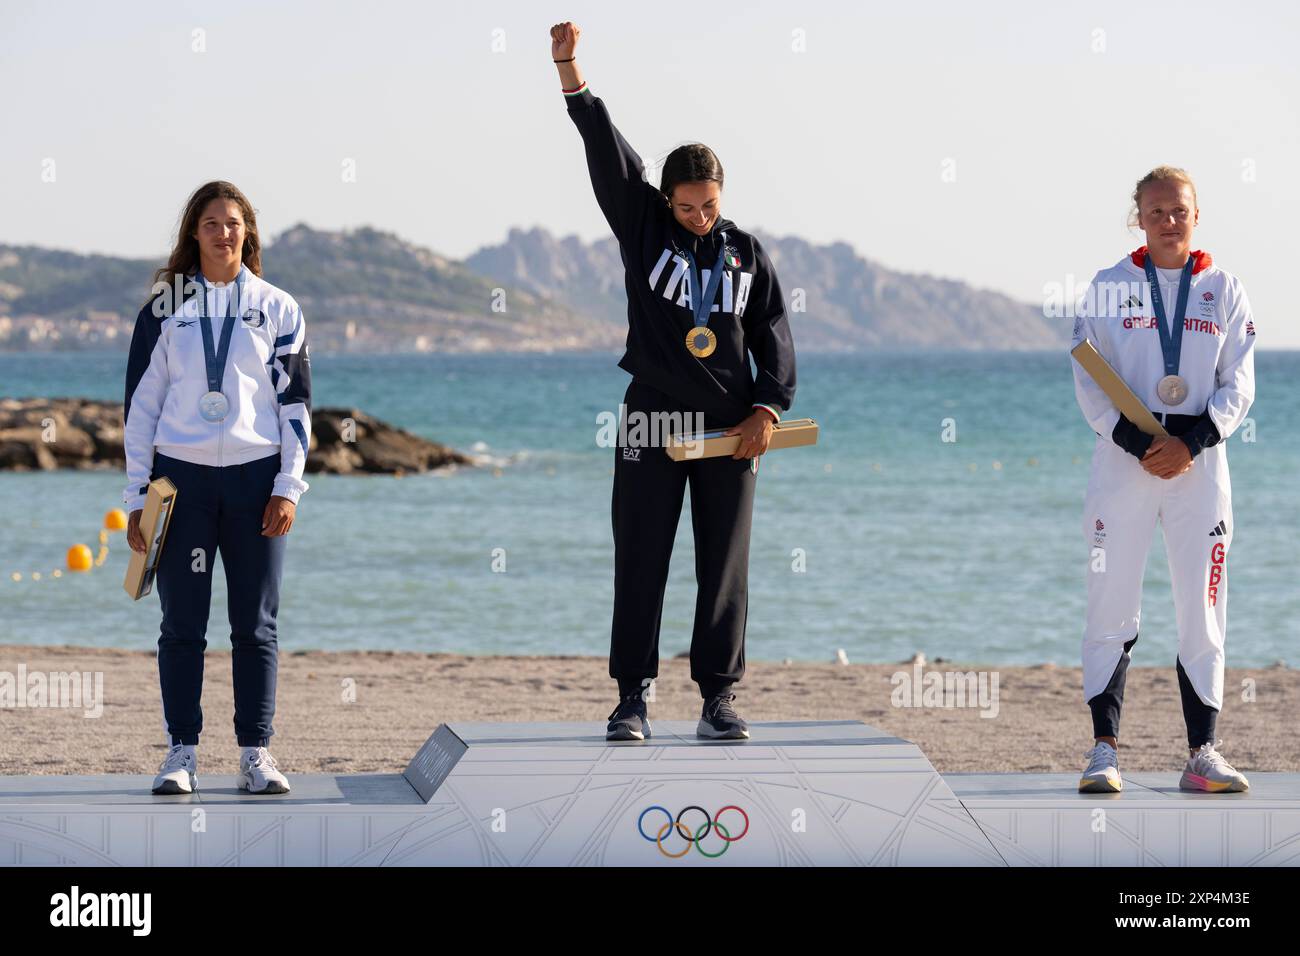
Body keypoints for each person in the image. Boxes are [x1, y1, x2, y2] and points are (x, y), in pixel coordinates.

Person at [551, 22, 797, 742]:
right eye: (686, 206)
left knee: (723, 565)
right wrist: (571, 70)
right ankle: (632, 695)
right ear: (666, 199)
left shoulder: (748, 254)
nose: (698, 217)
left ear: (723, 195)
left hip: (730, 424)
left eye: (709, 206)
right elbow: (605, 147)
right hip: (651, 416)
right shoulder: (643, 226)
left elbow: (775, 333)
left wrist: (767, 409)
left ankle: (718, 698)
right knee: (642, 556)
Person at [123, 180, 312, 794]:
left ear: (248, 232)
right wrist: (135, 499)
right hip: (182, 482)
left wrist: (288, 486)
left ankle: (256, 754)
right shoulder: (162, 309)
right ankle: (181, 754)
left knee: (255, 626)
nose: (223, 232)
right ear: (193, 234)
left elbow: (296, 406)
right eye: (210, 223)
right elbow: (140, 411)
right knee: (182, 625)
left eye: (233, 222)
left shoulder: (280, 308)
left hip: (257, 481)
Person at [1071, 166, 1256, 793]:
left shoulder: (1225, 289)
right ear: (1139, 218)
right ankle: (1104, 751)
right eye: (1155, 211)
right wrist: (1136, 442)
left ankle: (1203, 752)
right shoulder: (1108, 286)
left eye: (1178, 210)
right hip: (1126, 462)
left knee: (1201, 607)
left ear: (1196, 214)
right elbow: (1088, 375)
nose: (1168, 221)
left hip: (1198, 465)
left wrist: (1193, 441)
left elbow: (1239, 384)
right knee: (1111, 600)